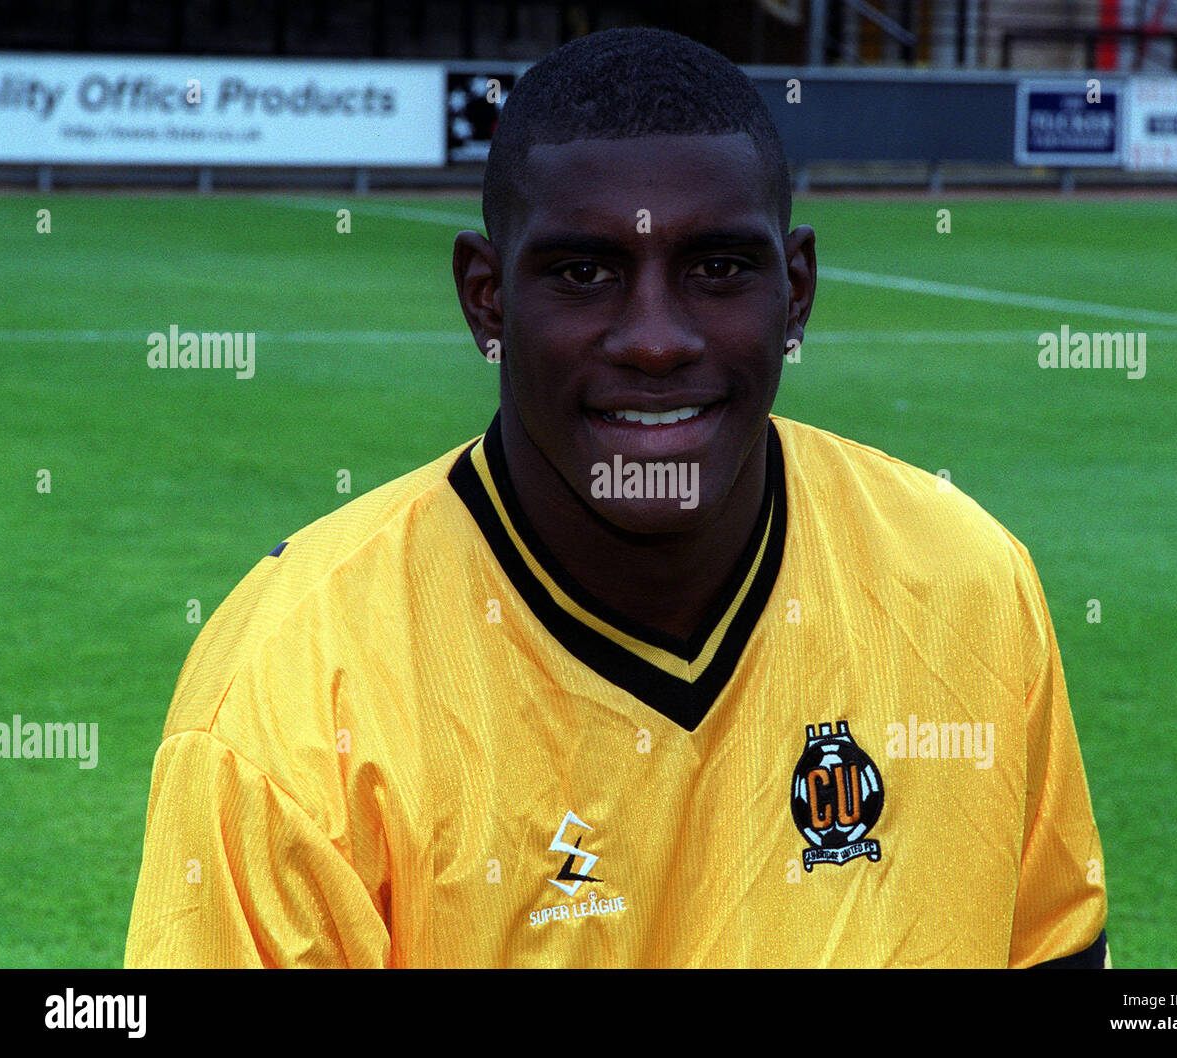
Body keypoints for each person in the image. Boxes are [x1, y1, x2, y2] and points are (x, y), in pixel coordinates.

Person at [125, 27, 1108, 968]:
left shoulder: (969, 579)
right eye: (584, 271)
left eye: (717, 267)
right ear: (487, 300)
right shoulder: (289, 691)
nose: (654, 338)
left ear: (796, 292)